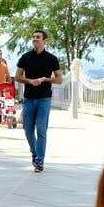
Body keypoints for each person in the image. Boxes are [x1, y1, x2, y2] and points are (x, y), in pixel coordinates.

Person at [15, 30, 63, 172]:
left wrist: (45, 79)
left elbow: (59, 79)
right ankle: (35, 153)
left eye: (38, 37)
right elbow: (17, 77)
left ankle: (40, 161)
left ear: (44, 40)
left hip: (44, 99)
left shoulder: (52, 59)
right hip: (29, 98)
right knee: (27, 130)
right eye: (33, 37)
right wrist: (30, 81)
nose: (35, 39)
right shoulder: (25, 57)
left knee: (41, 129)